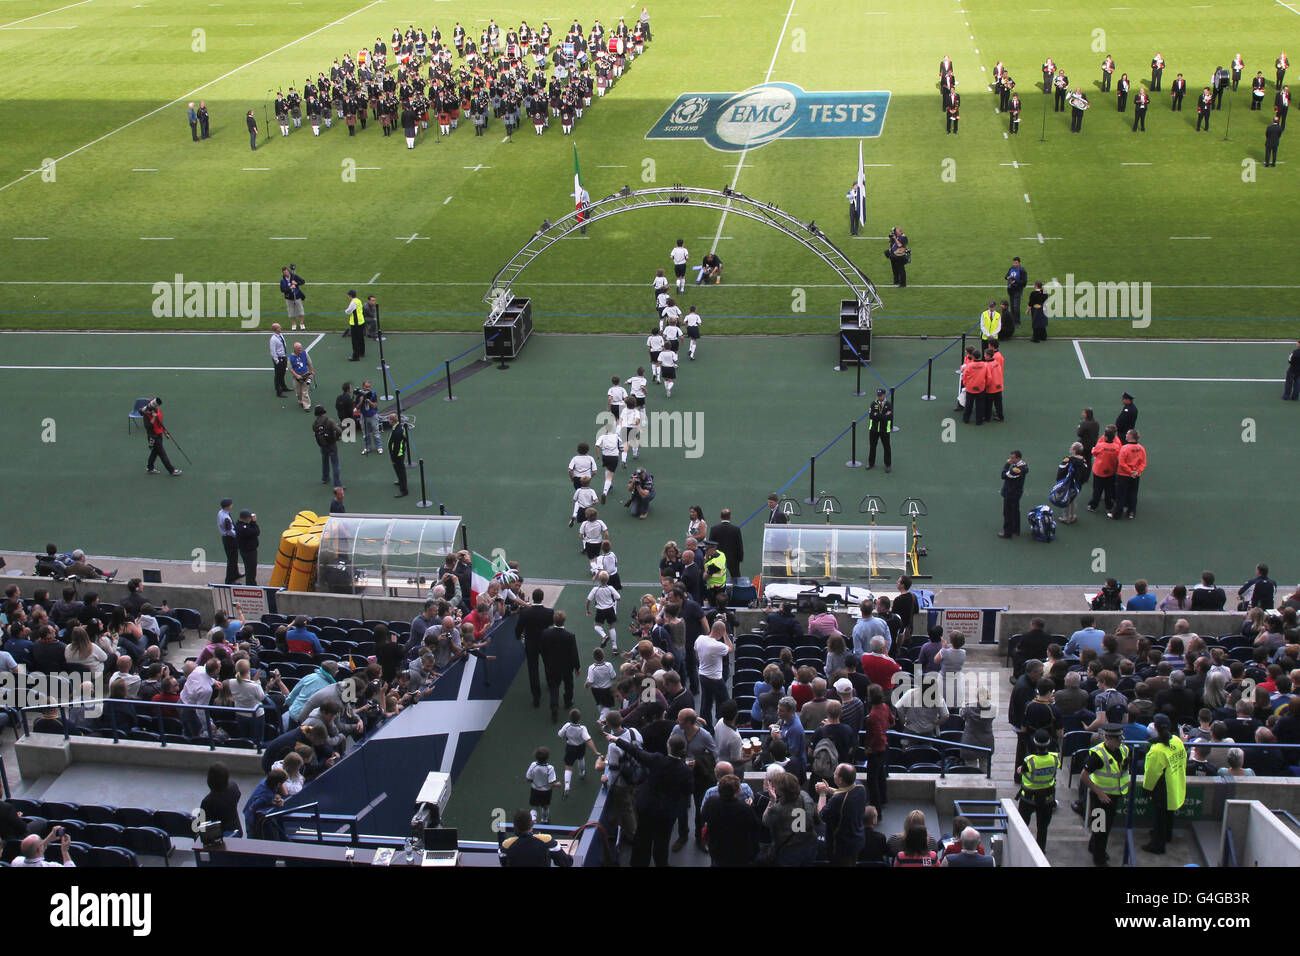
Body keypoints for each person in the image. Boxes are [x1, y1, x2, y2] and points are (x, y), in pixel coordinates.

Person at [1081, 723, 1131, 866]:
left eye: (1120, 738)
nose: (1119, 742)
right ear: (1107, 737)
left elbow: (1123, 773)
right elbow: (1084, 777)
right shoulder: (1098, 755)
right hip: (1100, 798)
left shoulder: (1124, 749)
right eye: (1116, 739)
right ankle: (1099, 858)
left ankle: (1094, 847)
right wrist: (1100, 793)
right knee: (1100, 830)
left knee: (1105, 828)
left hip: (1114, 796)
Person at [1141, 714, 1187, 854]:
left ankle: (1157, 845)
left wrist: (1146, 789)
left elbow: (1151, 773)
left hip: (1163, 788)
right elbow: (1184, 760)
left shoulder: (1156, 751)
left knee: (1160, 817)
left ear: (1155, 727)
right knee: (1169, 814)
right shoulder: (1178, 741)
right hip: (1176, 782)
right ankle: (1167, 835)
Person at [1016, 729, 1060, 850]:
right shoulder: (1055, 759)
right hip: (1047, 798)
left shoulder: (1030, 761)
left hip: (1028, 798)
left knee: (1023, 826)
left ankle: (1021, 847)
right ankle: (1041, 850)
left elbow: (1021, 771)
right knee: (1042, 828)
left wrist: (1020, 769)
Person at [817, 763, 868, 865]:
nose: (833, 774)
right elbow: (845, 793)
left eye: (835, 773)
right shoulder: (860, 787)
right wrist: (830, 790)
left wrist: (822, 794)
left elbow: (822, 815)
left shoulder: (837, 800)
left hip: (841, 847)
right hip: (857, 839)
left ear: (840, 780)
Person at [541, 611, 580, 722]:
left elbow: (543, 650)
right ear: (564, 621)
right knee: (568, 684)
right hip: (566, 667)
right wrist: (577, 667)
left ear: (554, 620)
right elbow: (574, 654)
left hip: (551, 665)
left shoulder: (545, 634)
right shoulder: (570, 636)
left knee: (553, 686)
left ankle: (554, 706)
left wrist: (546, 661)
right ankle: (568, 701)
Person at [500, 808, 573, 866]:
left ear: (515, 826)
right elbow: (566, 863)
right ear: (531, 824)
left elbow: (504, 863)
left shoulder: (506, 845)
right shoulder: (546, 840)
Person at [1108, 429, 1146, 520]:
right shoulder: (1141, 448)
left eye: (1127, 434)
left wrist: (1129, 471)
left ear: (1131, 437)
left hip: (1123, 475)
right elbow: (1143, 463)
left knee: (1120, 495)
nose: (1126, 435)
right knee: (1133, 493)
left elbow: (1121, 463)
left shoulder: (1125, 448)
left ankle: (1117, 514)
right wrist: (1137, 472)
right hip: (1135, 476)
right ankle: (1131, 512)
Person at [142, 397, 182, 476]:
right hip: (153, 437)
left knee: (154, 452)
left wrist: (165, 432)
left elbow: (160, 423)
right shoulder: (147, 414)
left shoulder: (157, 411)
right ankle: (172, 470)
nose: (154, 405)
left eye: (155, 404)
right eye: (153, 404)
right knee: (162, 454)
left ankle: (150, 468)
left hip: (159, 435)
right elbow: (148, 426)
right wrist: (153, 416)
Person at [998, 450, 1028, 538]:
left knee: (1007, 513)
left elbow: (1004, 475)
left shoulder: (1016, 470)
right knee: (1015, 512)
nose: (1010, 459)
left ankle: (1007, 532)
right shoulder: (1023, 465)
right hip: (1017, 492)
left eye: (1012, 458)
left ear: (1018, 458)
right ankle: (1016, 530)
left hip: (1010, 493)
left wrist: (1007, 464)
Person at [312, 405, 343, 488]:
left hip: (322, 445)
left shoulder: (315, 423)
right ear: (324, 412)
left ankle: (325, 478)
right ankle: (337, 484)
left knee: (325, 461)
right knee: (335, 464)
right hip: (331, 444)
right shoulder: (329, 421)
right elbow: (339, 431)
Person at [866, 388, 893, 472]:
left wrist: (877, 415)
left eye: (880, 395)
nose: (879, 397)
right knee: (872, 447)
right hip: (874, 429)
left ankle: (888, 465)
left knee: (887, 447)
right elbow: (871, 416)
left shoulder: (888, 405)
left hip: (884, 430)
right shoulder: (873, 404)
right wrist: (882, 416)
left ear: (884, 395)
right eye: (878, 395)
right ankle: (871, 463)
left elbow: (889, 417)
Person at [216, 497, 239, 585]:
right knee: (232, 559)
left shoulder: (221, 512)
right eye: (231, 504)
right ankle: (229, 580)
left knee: (234, 557)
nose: (232, 505)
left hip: (226, 538)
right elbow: (230, 531)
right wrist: (238, 535)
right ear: (227, 507)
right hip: (230, 539)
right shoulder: (226, 518)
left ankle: (236, 574)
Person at [386, 413, 409, 498]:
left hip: (398, 455)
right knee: (399, 470)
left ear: (393, 421)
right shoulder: (398, 427)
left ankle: (404, 490)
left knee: (401, 471)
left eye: (389, 420)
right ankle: (401, 482)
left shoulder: (397, 431)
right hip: (399, 453)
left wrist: (393, 457)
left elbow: (395, 446)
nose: (388, 421)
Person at [235, 510, 260, 586]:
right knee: (250, 569)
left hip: (249, 550)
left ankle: (251, 584)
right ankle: (251, 586)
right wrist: (254, 522)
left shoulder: (242, 525)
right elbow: (256, 532)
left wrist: (252, 523)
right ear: (245, 518)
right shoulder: (243, 528)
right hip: (248, 551)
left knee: (251, 568)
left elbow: (252, 529)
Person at [289, 341, 313, 411]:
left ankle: (307, 406)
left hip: (306, 374)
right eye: (298, 349)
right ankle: (300, 400)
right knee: (298, 392)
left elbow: (309, 363)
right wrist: (296, 375)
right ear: (295, 349)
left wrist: (311, 372)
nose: (300, 350)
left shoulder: (305, 353)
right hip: (297, 377)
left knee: (304, 392)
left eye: (301, 348)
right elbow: (290, 368)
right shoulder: (290, 357)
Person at [1004, 257, 1027, 329]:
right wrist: (1007, 277)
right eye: (1014, 263)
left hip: (1017, 290)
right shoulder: (1011, 268)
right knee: (1012, 306)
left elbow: (1024, 282)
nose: (1014, 264)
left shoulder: (1022, 270)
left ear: (1019, 263)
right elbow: (1006, 276)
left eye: (1016, 263)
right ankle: (1013, 320)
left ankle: (1017, 322)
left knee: (1016, 307)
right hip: (1011, 290)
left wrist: (1015, 281)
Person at [269, 323, 290, 397]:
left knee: (283, 373)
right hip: (279, 358)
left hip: (283, 357)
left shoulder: (280, 335)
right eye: (279, 327)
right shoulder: (273, 339)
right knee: (278, 375)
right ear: (276, 329)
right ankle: (278, 391)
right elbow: (272, 351)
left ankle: (283, 387)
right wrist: (277, 361)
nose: (280, 328)